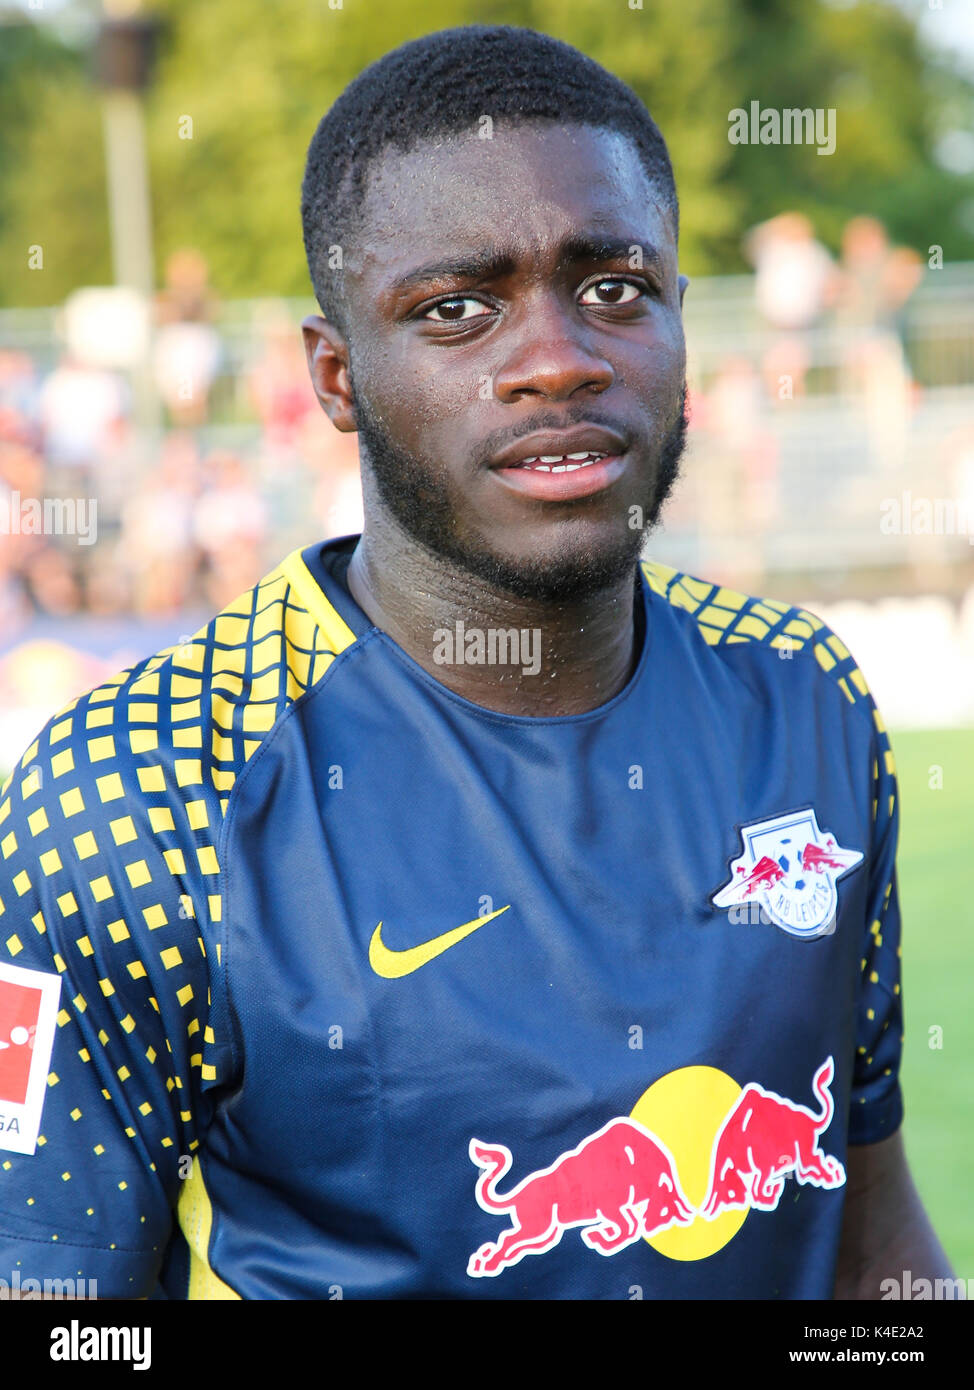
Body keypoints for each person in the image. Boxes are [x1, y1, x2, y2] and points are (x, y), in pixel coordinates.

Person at [0, 26, 952, 1300]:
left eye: (613, 288)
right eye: (457, 308)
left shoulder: (804, 696)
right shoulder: (137, 792)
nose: (558, 357)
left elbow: (870, 1247)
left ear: (682, 322)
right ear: (336, 378)